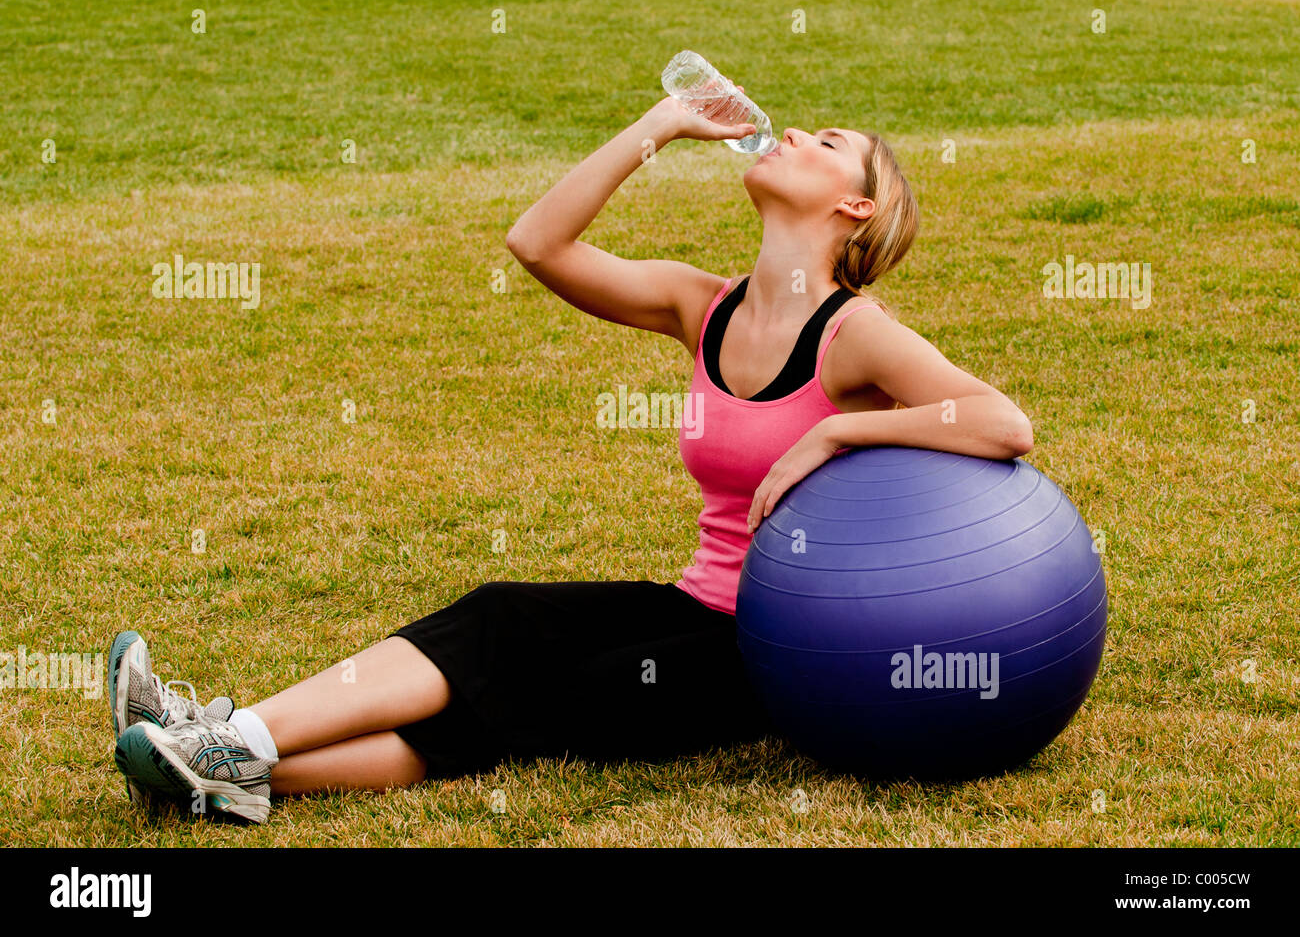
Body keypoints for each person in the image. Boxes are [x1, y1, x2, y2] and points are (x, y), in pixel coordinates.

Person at [111, 91, 1034, 824]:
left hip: (772, 654)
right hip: (691, 609)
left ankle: (224, 743)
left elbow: (1002, 423)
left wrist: (836, 431)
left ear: (855, 205)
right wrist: (659, 127)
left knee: (520, 665)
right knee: (502, 633)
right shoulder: (700, 304)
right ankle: (217, 765)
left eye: (827, 141)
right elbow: (537, 243)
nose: (791, 132)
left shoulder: (856, 335)